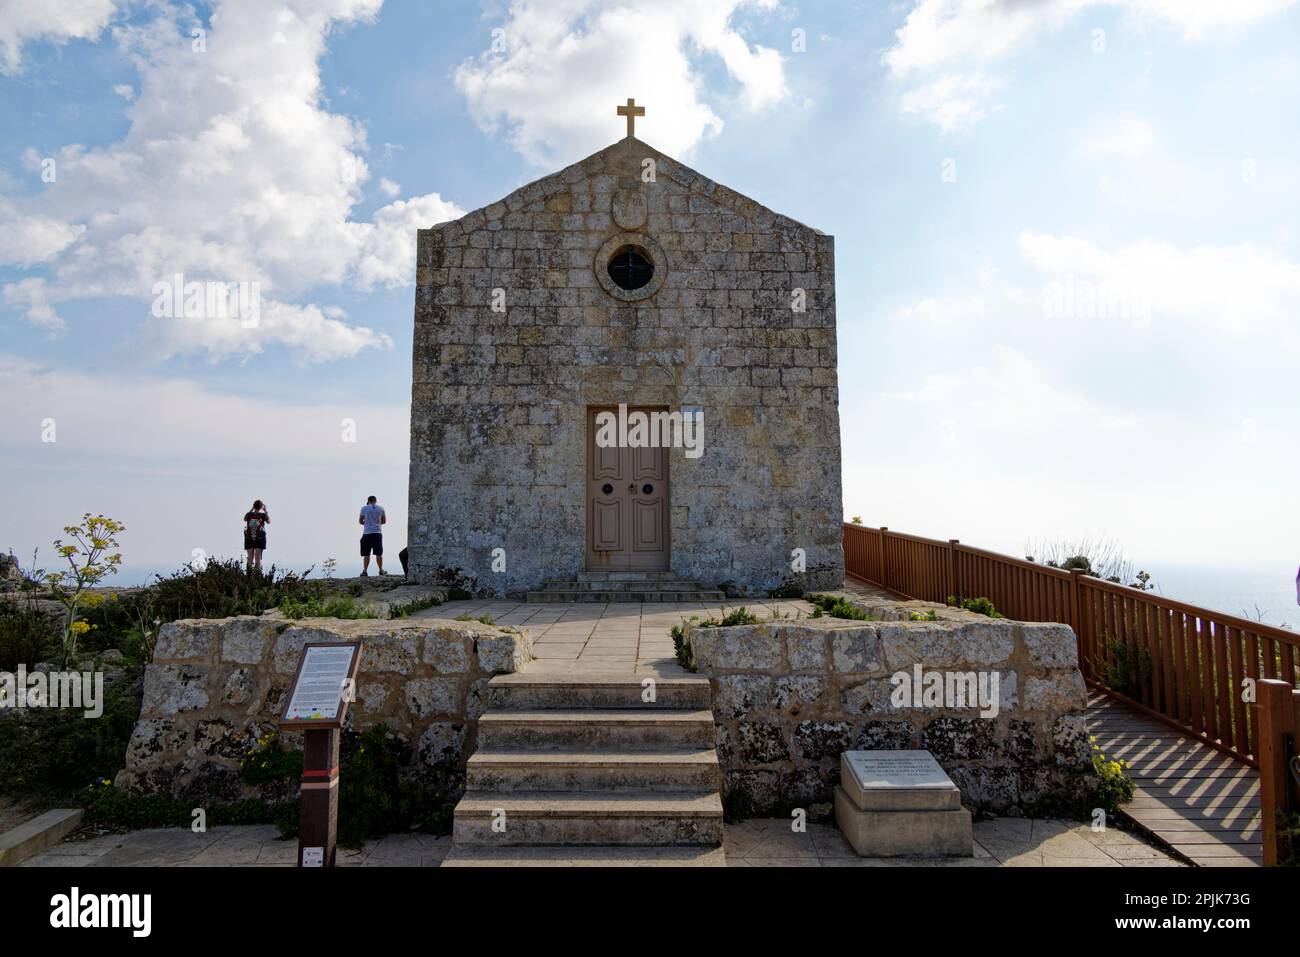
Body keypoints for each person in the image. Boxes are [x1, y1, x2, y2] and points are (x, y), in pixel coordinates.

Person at [358, 495, 387, 576]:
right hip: (377, 533)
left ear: (368, 501)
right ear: (375, 500)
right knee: (379, 553)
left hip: (367, 533)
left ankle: (365, 571)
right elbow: (384, 521)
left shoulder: (364, 508)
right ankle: (381, 570)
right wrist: (377, 523)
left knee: (366, 554)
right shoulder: (381, 508)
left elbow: (360, 521)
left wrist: (367, 523)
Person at [243, 500, 269, 573]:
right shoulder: (262, 515)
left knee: (250, 558)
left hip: (249, 538)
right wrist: (265, 511)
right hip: (260, 539)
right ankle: (257, 576)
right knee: (258, 558)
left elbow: (245, 519)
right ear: (261, 507)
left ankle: (249, 576)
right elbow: (268, 521)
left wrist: (251, 509)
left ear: (254, 506)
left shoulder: (249, 514)